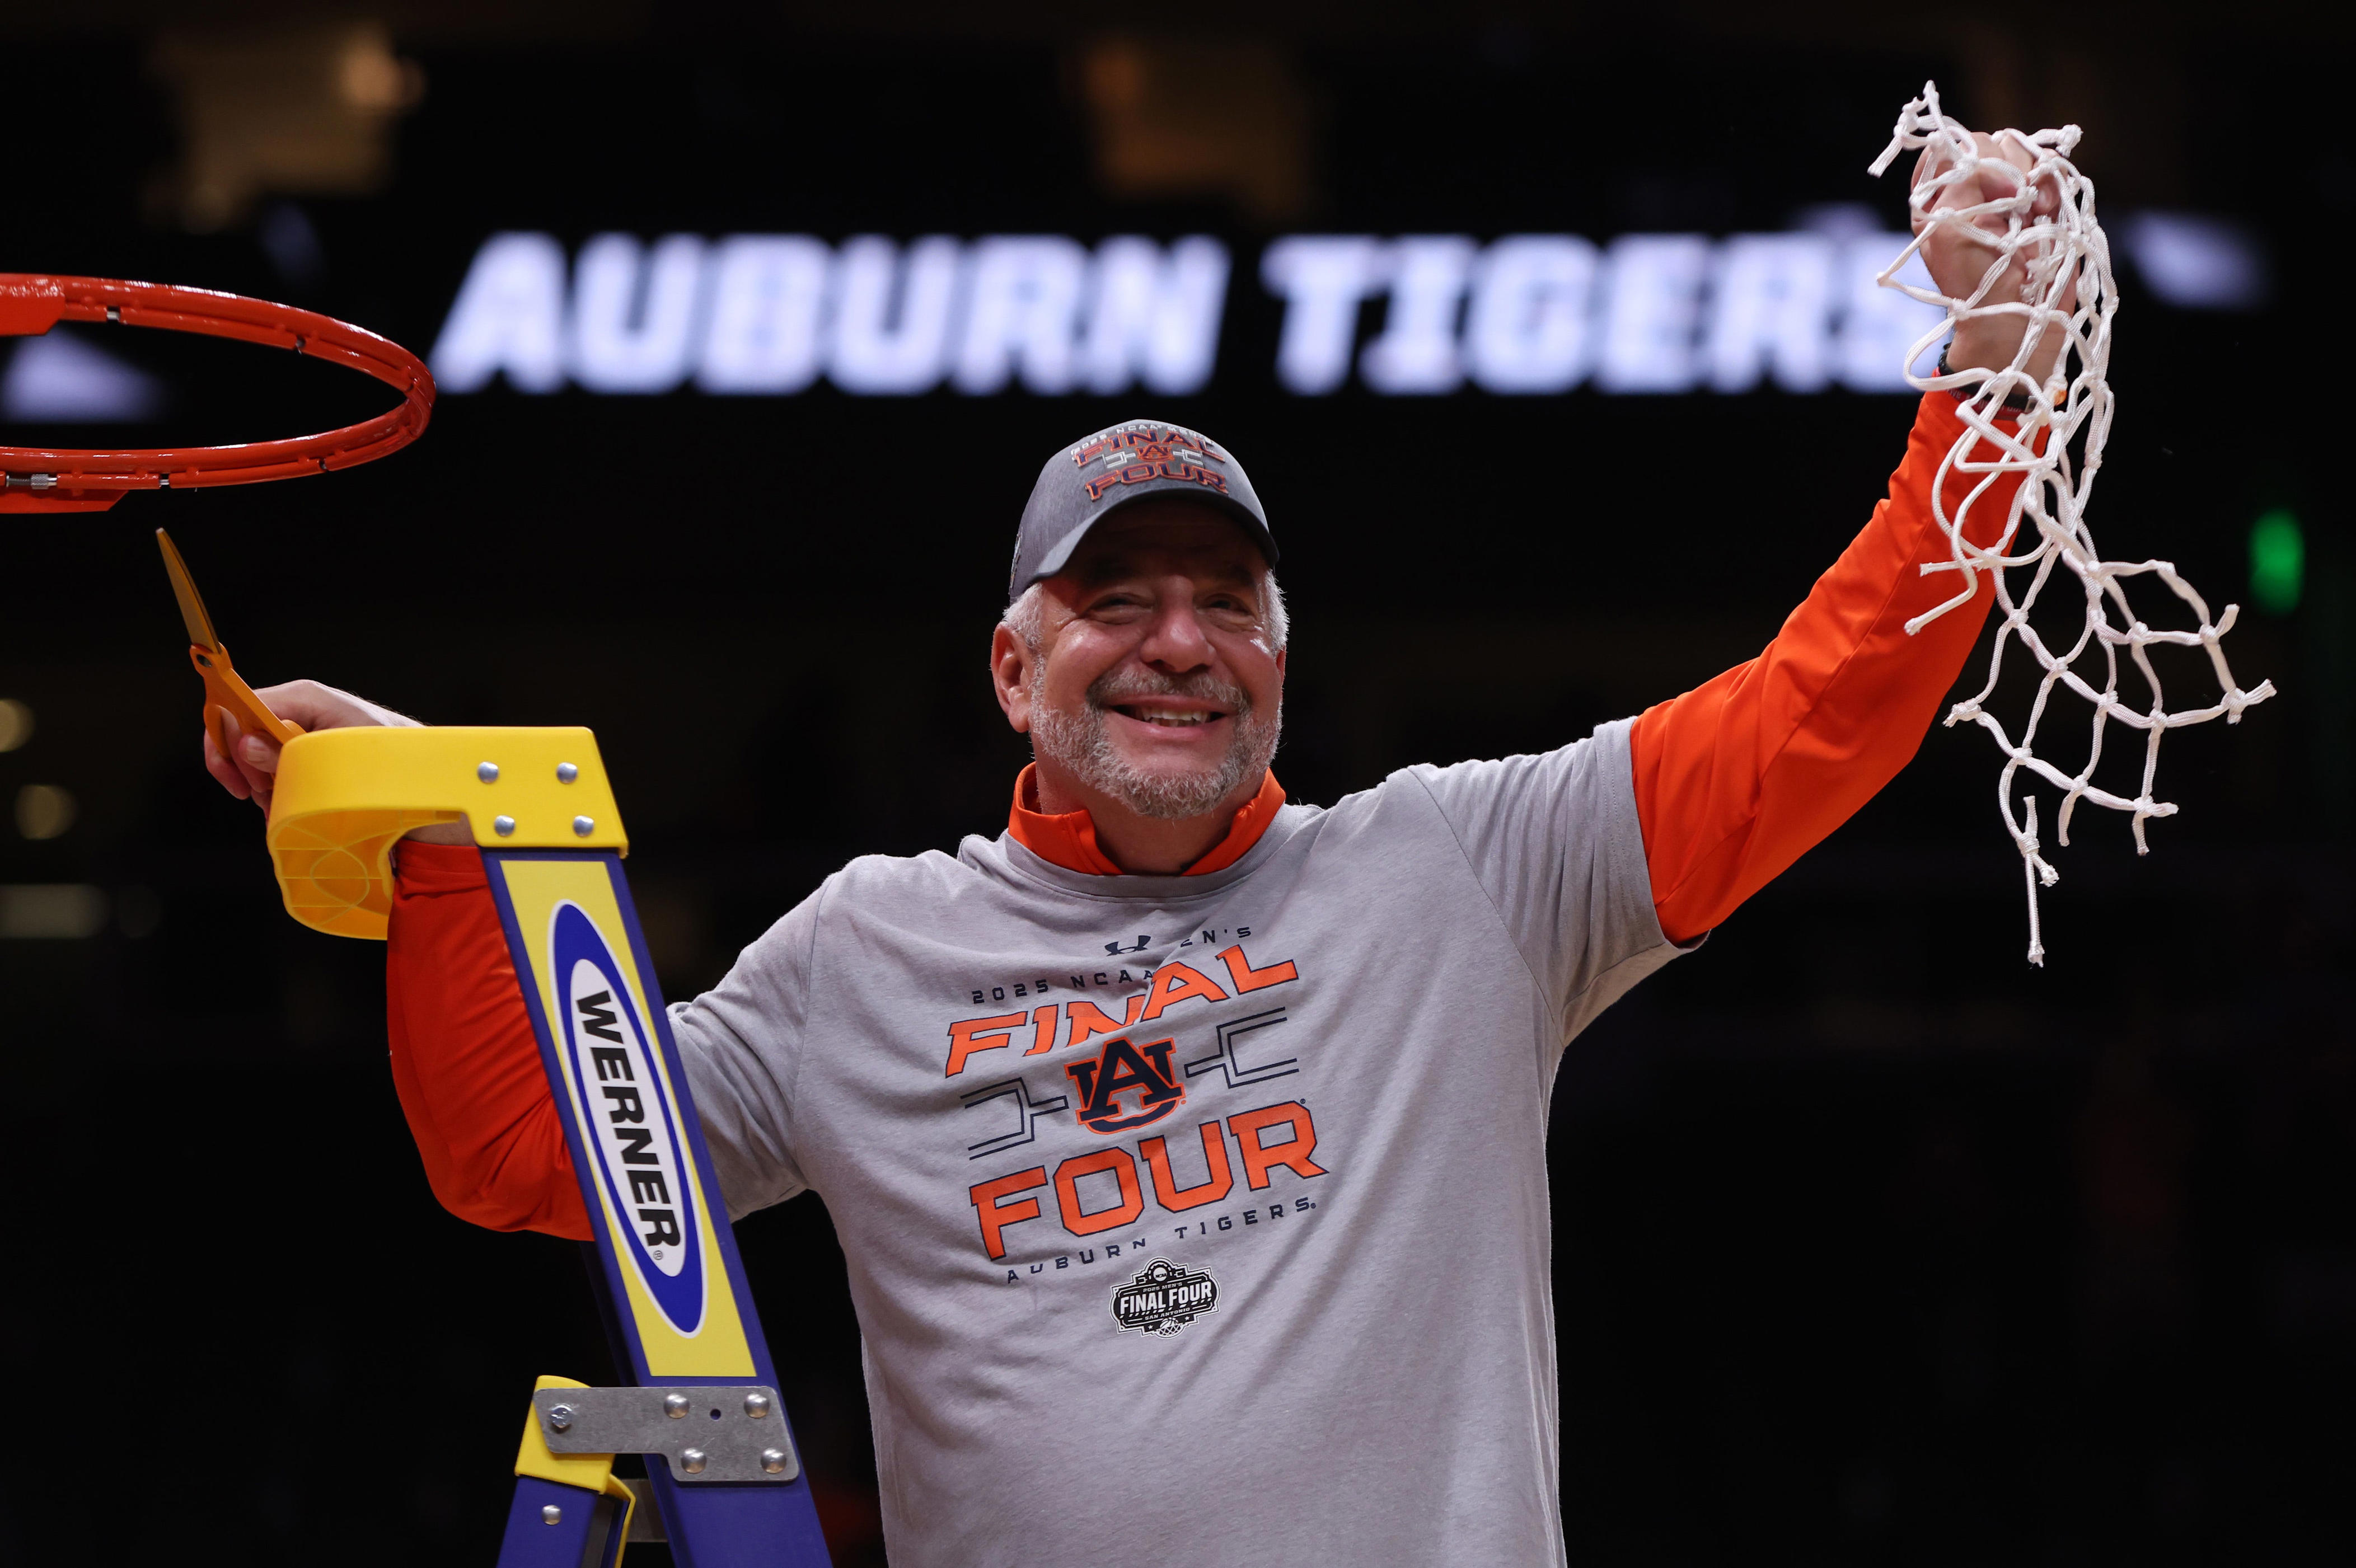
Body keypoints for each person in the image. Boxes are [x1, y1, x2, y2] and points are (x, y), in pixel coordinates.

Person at [204, 137, 2054, 1564]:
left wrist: (1988, 393)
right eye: (1117, 599)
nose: (1178, 641)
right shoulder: (864, 954)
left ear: (1278, 654)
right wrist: (444, 838)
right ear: (1013, 669)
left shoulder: (1466, 871)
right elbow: (537, 1154)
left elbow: (1829, 706)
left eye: (1225, 599)